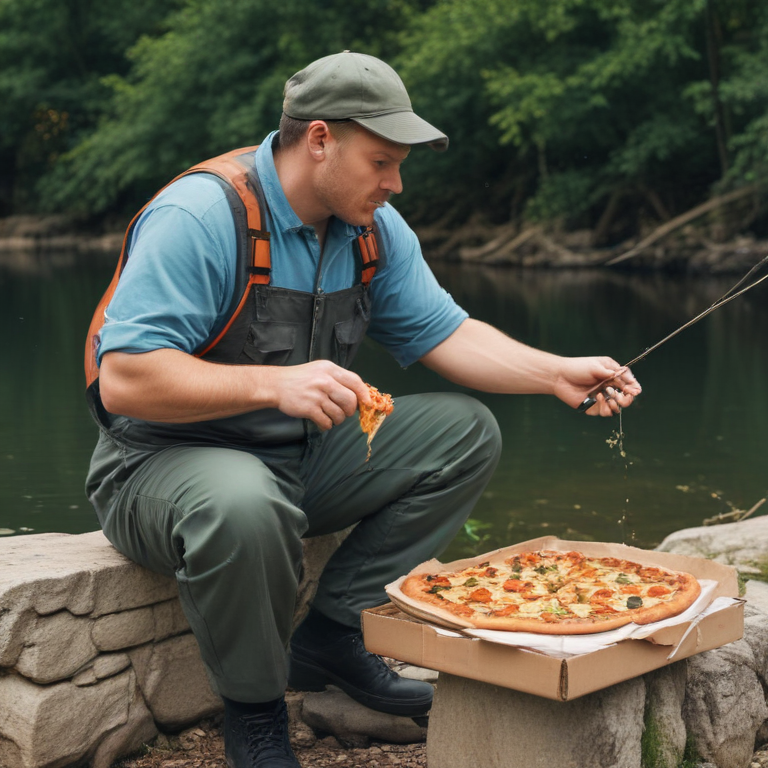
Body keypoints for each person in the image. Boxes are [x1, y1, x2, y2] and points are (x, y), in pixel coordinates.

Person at [84, 51, 641, 768]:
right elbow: (124, 378)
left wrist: (554, 372)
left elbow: (448, 332)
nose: (395, 183)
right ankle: (255, 719)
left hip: (295, 457)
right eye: (382, 161)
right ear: (321, 139)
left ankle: (333, 634)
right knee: (244, 504)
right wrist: (271, 385)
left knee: (464, 433)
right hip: (156, 466)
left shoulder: (372, 228)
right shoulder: (201, 215)